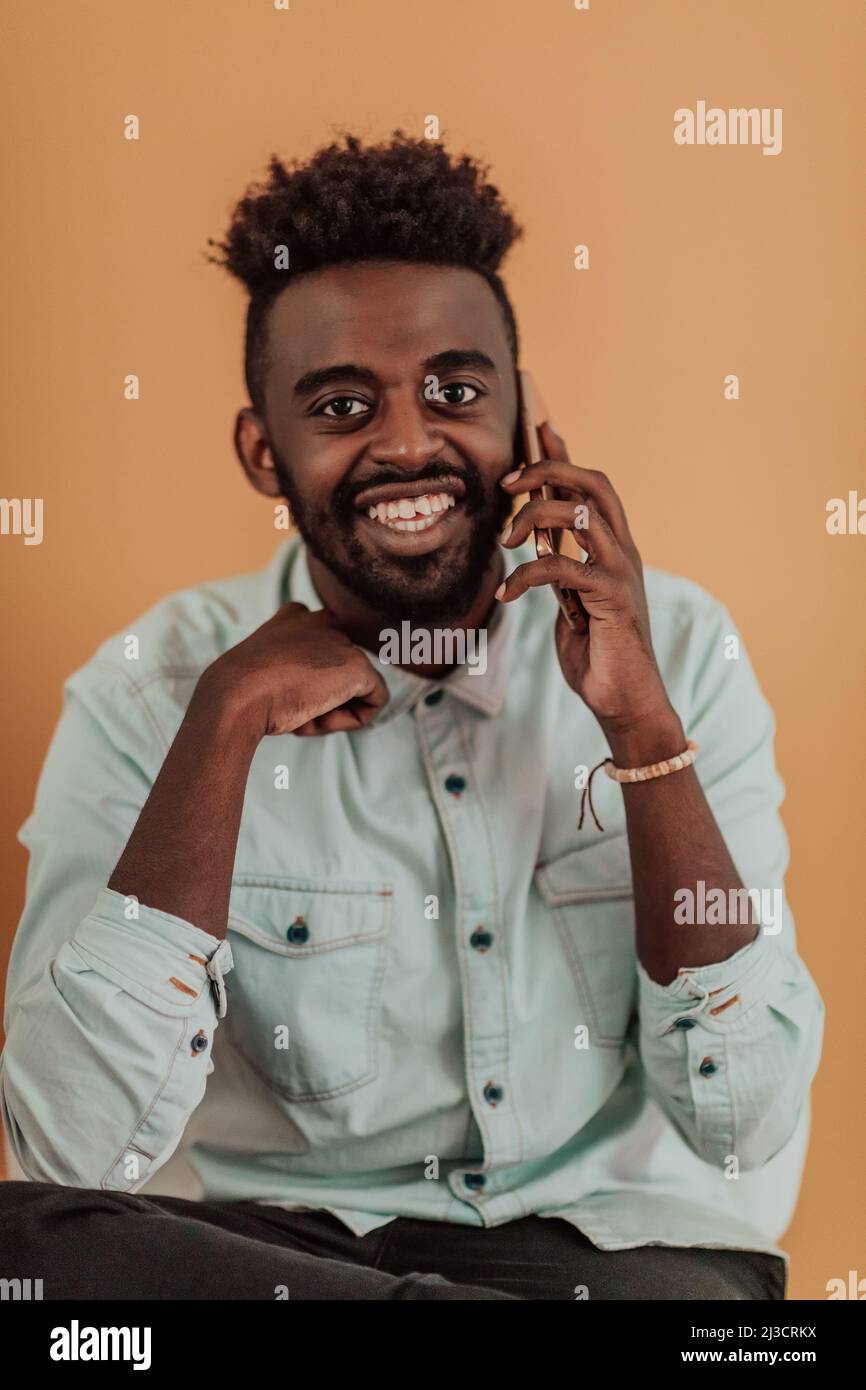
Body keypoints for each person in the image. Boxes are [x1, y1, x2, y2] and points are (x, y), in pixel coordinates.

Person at [0, 133, 823, 1300]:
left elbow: (741, 1120)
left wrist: (642, 734)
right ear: (260, 450)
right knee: (21, 1256)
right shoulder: (153, 691)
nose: (402, 442)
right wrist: (220, 730)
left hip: (619, 1257)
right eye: (340, 404)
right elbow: (69, 1149)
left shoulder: (679, 650)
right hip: (298, 1254)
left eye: (455, 390)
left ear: (524, 419)